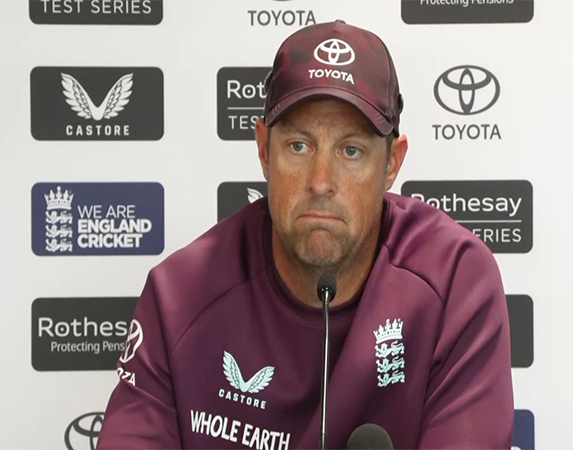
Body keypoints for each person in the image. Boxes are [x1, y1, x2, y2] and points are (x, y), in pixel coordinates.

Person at [97, 19, 514, 450]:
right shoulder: (178, 297)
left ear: (392, 163)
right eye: (299, 145)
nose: (320, 181)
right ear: (264, 149)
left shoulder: (455, 282)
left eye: (351, 150)